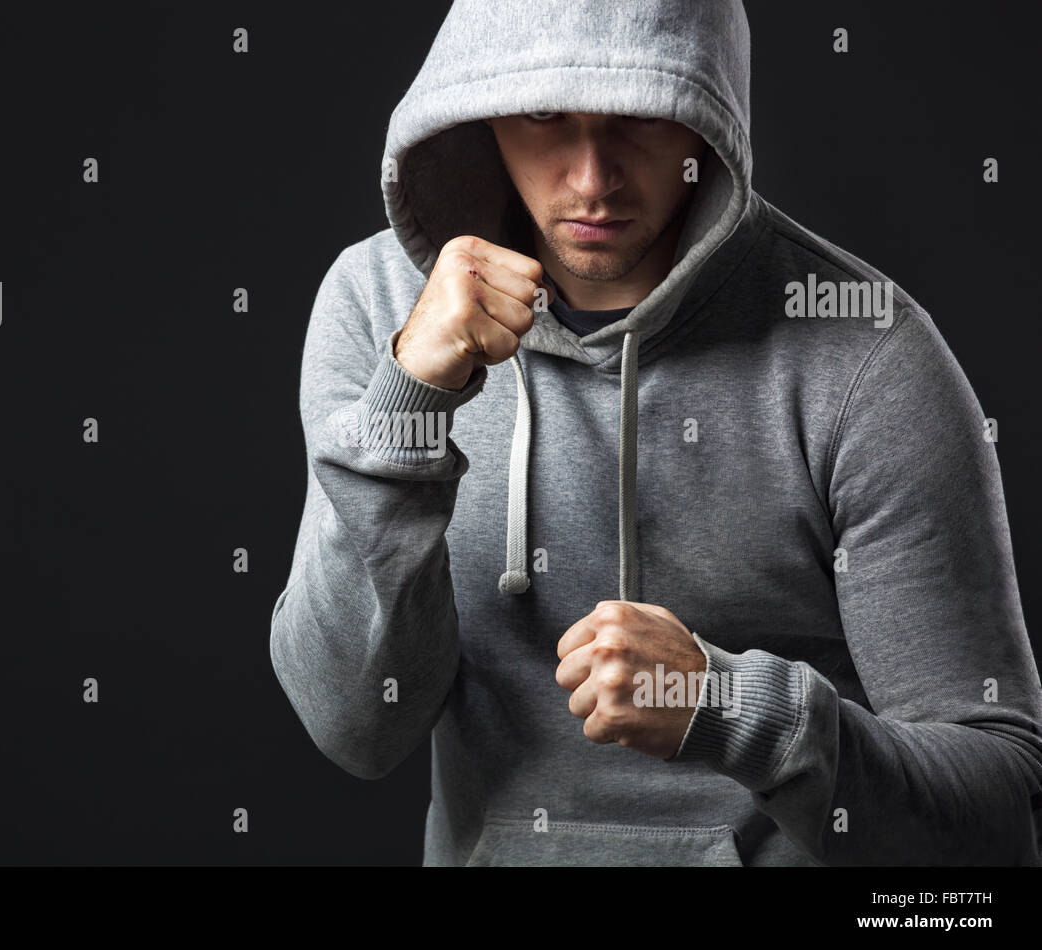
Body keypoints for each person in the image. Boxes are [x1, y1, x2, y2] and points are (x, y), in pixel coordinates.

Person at [268, 0, 1042, 865]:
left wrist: (733, 710)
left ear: (708, 113)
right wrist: (408, 394)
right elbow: (354, 728)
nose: (592, 178)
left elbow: (1001, 817)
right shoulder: (381, 306)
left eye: (638, 115)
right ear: (475, 110)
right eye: (542, 115)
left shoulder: (865, 353)